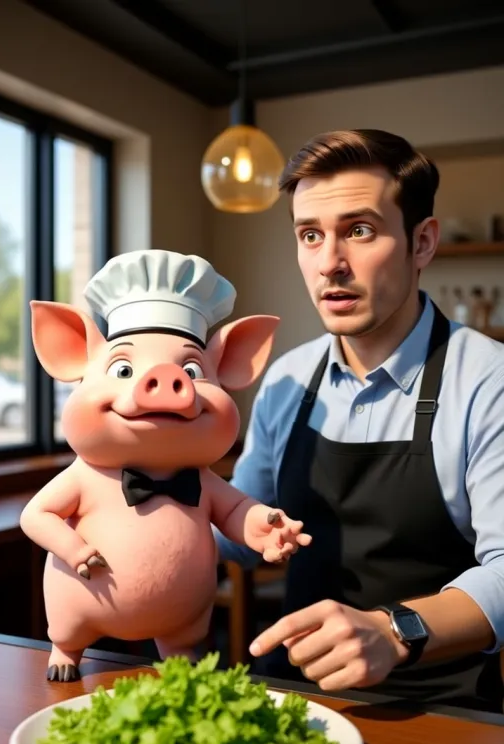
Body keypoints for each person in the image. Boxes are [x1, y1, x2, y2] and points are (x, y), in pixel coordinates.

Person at [214, 128, 504, 713]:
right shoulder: (288, 380)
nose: (329, 264)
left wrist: (396, 631)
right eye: (310, 235)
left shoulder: (487, 380)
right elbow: (240, 534)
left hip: (446, 707)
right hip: (296, 696)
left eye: (360, 231)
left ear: (421, 243)